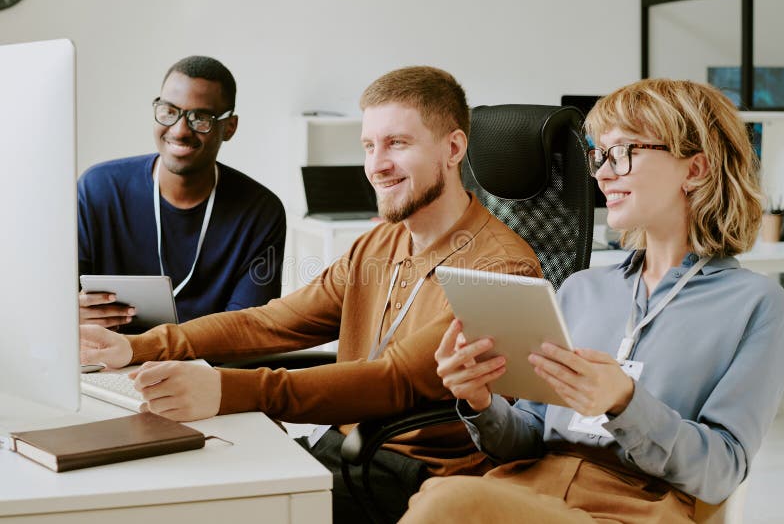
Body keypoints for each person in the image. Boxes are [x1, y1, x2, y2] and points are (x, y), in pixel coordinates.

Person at [80, 65, 541, 522]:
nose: (376, 165)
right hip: (340, 453)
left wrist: (226, 389)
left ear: (453, 148)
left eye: (397, 143)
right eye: (369, 146)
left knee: (215, 509)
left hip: (417, 480)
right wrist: (137, 346)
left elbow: (396, 379)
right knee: (172, 485)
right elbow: (272, 321)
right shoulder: (380, 242)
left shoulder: (501, 269)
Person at [400, 78, 784, 523]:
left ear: (695, 169)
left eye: (624, 152)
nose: (603, 174)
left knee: (449, 500)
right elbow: (528, 438)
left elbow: (722, 471)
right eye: (600, 155)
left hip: (633, 510)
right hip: (529, 491)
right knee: (439, 492)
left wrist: (626, 402)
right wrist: (479, 401)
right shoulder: (582, 289)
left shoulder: (759, 306)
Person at [78, 55, 285, 328]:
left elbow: (247, 329)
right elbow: (54, 297)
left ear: (229, 127)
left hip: (210, 357)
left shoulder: (260, 212)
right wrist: (69, 312)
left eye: (200, 118)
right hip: (105, 354)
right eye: (169, 111)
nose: (180, 130)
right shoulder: (99, 190)